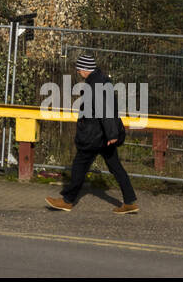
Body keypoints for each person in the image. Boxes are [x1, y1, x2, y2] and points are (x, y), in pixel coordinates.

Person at [45, 51, 138, 214]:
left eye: (79, 69)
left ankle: (67, 201)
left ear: (85, 69)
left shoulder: (94, 85)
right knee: (116, 167)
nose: (78, 72)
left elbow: (104, 110)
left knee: (79, 166)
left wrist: (111, 134)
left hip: (94, 135)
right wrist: (112, 134)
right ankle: (130, 201)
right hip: (103, 135)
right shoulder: (103, 80)